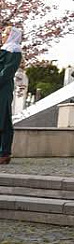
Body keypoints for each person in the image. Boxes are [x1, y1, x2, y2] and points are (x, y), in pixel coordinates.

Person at [0, 27, 23, 165]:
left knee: (3, 118)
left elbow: (7, 72)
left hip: (3, 89)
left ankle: (4, 152)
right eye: (3, 33)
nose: (3, 36)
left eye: (6, 34)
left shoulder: (14, 51)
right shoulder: (4, 49)